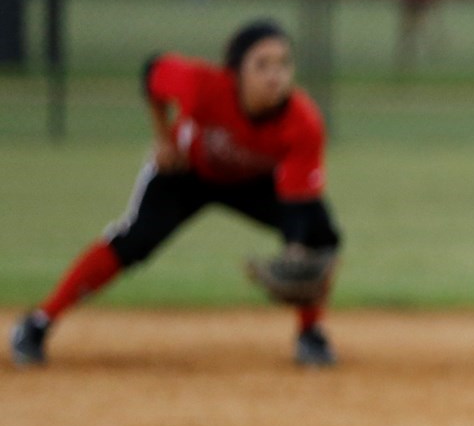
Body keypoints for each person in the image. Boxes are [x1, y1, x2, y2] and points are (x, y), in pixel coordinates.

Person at [11, 20, 343, 369]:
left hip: (252, 183)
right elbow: (152, 71)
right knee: (135, 241)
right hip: (186, 172)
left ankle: (311, 333)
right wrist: (163, 137)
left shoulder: (303, 121)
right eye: (262, 65)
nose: (275, 75)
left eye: (283, 64)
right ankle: (38, 323)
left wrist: (296, 247)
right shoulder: (202, 85)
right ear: (235, 72)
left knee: (317, 236)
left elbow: (298, 203)